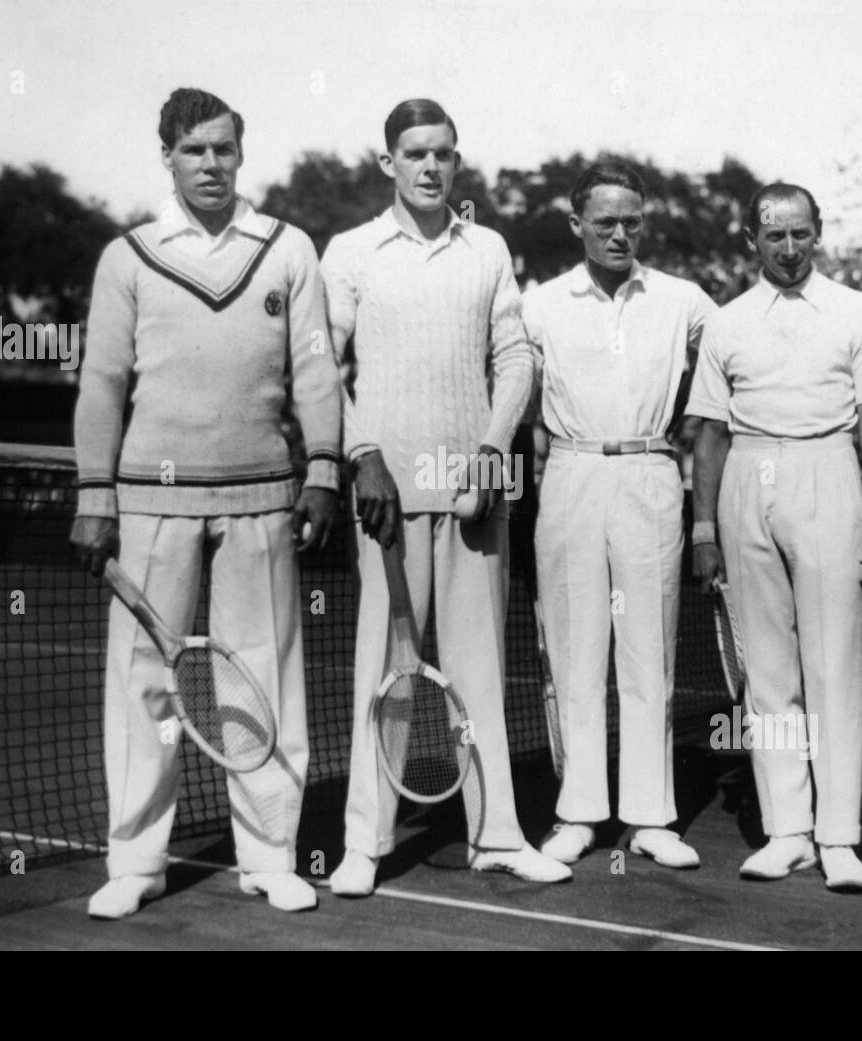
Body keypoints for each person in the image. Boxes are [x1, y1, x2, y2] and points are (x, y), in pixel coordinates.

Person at [70, 87, 341, 917]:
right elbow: (104, 381)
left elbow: (317, 371)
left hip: (262, 499)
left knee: (260, 683)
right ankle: (136, 861)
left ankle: (270, 856)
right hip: (152, 505)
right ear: (168, 158)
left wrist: (323, 469)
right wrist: (93, 494)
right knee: (146, 684)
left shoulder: (287, 247)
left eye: (223, 148)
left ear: (241, 154)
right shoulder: (129, 255)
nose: (211, 164)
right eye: (194, 150)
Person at [321, 98, 570, 897]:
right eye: (416, 153)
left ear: (457, 164)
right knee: (385, 675)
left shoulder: (487, 249)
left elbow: (516, 360)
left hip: (476, 503)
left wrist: (491, 455)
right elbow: (321, 366)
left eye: (445, 154)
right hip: (387, 505)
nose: (431, 167)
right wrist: (362, 456)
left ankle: (496, 833)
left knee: (478, 674)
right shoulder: (352, 252)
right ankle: (365, 842)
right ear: (387, 162)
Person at [686, 183, 862, 892]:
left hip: (828, 471)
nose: (788, 249)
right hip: (745, 480)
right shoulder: (726, 322)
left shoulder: (858, 310)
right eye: (773, 235)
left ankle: (839, 835)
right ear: (751, 238)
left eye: (800, 234)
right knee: (769, 671)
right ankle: (788, 830)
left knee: (833, 663)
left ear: (818, 233)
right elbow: (710, 435)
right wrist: (702, 528)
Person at [522, 162, 716, 868]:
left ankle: (651, 816)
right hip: (570, 475)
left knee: (648, 651)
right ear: (577, 225)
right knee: (575, 655)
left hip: (650, 473)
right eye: (604, 221)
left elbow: (735, 363)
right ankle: (576, 812)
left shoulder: (683, 299)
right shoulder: (538, 305)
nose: (619, 233)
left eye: (631, 220)